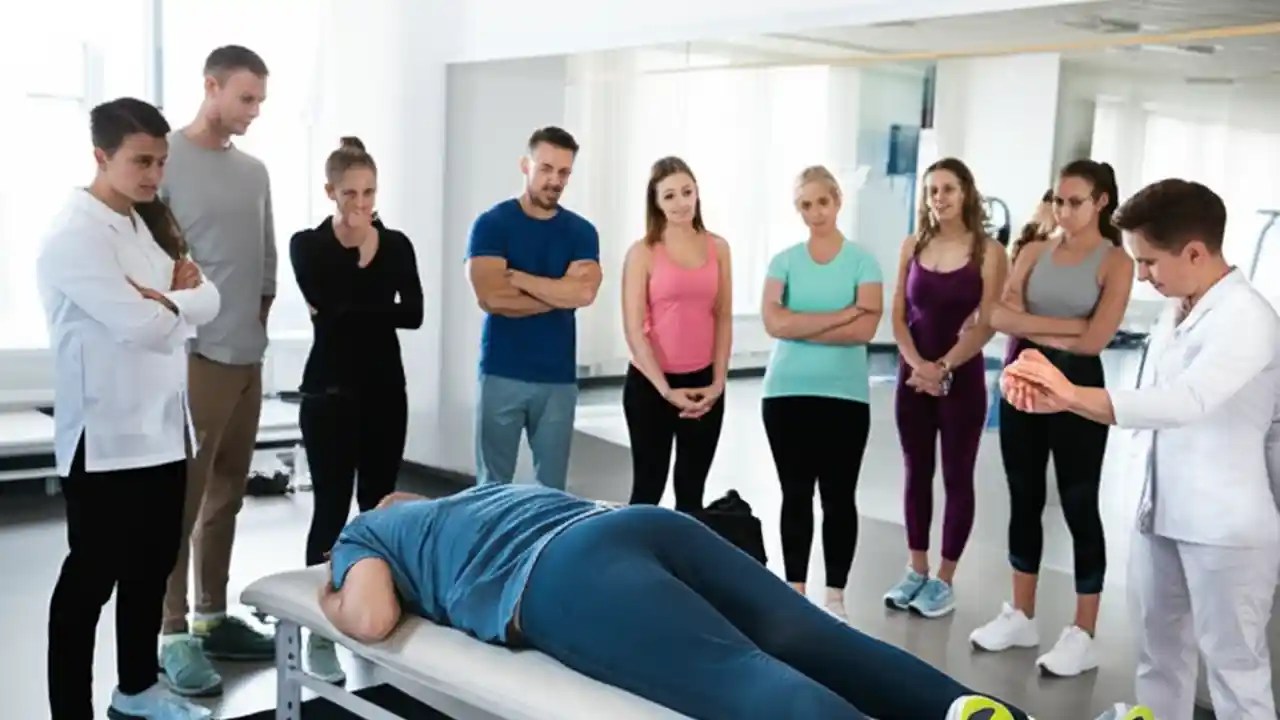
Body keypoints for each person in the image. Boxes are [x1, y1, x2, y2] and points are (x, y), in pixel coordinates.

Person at [318, 482, 1032, 720]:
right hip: (636, 521)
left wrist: (331, 592)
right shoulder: (474, 497)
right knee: (814, 638)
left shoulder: (364, 534)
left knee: (742, 676)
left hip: (566, 574)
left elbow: (372, 617)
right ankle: (963, 710)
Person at [1002, 178, 1280, 720]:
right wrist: (1057, 400)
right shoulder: (1174, 311)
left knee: (1235, 671)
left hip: (1227, 529)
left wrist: (1070, 393)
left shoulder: (1248, 317)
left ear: (1195, 252)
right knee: (1158, 659)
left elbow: (1187, 400)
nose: (1143, 275)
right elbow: (1149, 400)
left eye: (1149, 262)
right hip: (1162, 515)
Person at [39, 97, 219, 720]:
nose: (153, 175)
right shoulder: (73, 235)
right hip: (106, 434)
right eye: (141, 161)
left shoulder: (152, 222)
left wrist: (171, 303)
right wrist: (177, 305)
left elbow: (208, 296)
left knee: (150, 569)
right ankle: (70, 709)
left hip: (165, 429)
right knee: (91, 578)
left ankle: (137, 692)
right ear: (100, 156)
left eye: (161, 162)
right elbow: (139, 325)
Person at [975, 160, 1134, 678]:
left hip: (1079, 388)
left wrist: (1037, 326)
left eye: (1075, 202)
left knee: (1079, 501)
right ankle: (1021, 614)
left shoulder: (1117, 263)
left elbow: (1094, 341)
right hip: (1024, 382)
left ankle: (1082, 633)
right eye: (1059, 200)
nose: (1064, 210)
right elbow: (998, 317)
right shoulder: (1034, 250)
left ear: (1101, 203)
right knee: (1023, 496)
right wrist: (1064, 324)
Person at [158, 45, 278, 695]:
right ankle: (171, 631)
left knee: (228, 492)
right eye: (246, 98)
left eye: (260, 100)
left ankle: (211, 616)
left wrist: (253, 329)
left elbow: (265, 262)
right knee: (181, 497)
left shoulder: (255, 171)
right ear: (211, 87)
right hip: (192, 355)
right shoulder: (166, 160)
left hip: (245, 354)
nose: (255, 111)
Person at [288, 136, 424, 684]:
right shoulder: (308, 244)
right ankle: (317, 628)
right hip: (330, 397)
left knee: (378, 508)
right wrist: (368, 298)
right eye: (350, 193)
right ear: (330, 191)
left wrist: (353, 305)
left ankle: (372, 613)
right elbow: (333, 305)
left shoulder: (397, 245)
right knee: (330, 508)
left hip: (386, 394)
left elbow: (412, 314)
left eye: (369, 192)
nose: (361, 203)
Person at [883, 158, 1007, 619]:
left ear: (966, 193)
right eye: (932, 189)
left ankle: (944, 579)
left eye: (948, 189)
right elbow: (898, 315)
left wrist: (944, 367)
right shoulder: (913, 245)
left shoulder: (989, 252)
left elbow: (988, 322)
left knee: (957, 476)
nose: (939, 197)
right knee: (916, 471)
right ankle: (915, 568)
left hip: (962, 379)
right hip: (912, 378)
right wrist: (919, 365)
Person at [760, 166, 883, 618]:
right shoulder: (784, 261)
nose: (815, 213)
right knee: (795, 494)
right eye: (805, 205)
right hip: (785, 396)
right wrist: (844, 313)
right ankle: (794, 593)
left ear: (837, 202)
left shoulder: (863, 262)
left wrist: (800, 326)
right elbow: (774, 323)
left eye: (822, 202)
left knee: (837, 496)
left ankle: (835, 598)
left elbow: (866, 329)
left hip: (845, 398)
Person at [465, 126, 602, 491]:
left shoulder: (581, 232)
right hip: (501, 373)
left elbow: (584, 293)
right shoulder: (492, 224)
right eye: (546, 168)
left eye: (564, 172)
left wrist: (521, 279)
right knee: (491, 488)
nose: (554, 180)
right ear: (525, 165)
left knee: (552, 491)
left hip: (558, 379)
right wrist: (560, 293)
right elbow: (491, 298)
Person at [621, 156, 732, 512]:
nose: (681, 202)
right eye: (669, 196)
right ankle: (635, 566)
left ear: (698, 194)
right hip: (651, 385)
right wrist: (666, 391)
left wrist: (717, 384)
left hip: (703, 387)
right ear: (655, 202)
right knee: (647, 490)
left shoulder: (719, 248)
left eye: (687, 192)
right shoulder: (642, 252)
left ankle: (682, 568)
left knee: (691, 493)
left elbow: (723, 317)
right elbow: (634, 330)